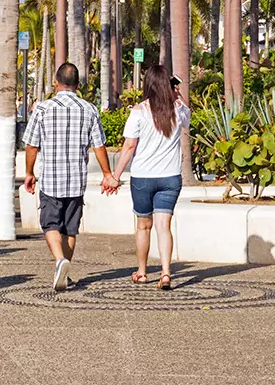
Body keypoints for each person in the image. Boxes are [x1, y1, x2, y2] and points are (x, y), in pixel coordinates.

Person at [22, 62, 113, 291]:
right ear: (77, 85)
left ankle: (59, 260)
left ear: (56, 82)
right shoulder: (89, 109)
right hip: (76, 180)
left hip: (51, 179)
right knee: (70, 229)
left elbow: (32, 145)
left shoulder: (43, 109)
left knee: (50, 224)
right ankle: (66, 271)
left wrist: (29, 172)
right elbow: (99, 145)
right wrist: (107, 173)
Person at [105, 63, 191, 289]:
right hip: (170, 177)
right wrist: (177, 94)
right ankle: (165, 273)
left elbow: (129, 147)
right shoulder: (179, 110)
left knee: (144, 226)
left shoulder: (139, 111)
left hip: (143, 177)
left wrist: (115, 176)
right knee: (164, 226)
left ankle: (142, 272)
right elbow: (186, 120)